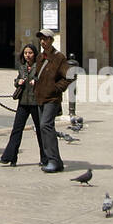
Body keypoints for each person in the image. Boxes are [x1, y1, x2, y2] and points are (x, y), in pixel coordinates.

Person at [0, 43, 44, 166]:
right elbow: (17, 80)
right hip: (23, 101)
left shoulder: (39, 67)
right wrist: (18, 81)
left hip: (35, 102)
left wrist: (37, 82)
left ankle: (45, 158)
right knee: (17, 129)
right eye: (25, 53)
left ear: (35, 54)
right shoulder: (22, 67)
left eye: (30, 53)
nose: (28, 55)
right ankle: (10, 156)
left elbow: (44, 79)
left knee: (40, 130)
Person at [34, 31, 72, 172]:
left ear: (51, 40)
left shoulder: (59, 57)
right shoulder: (40, 57)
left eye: (45, 39)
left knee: (46, 126)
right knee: (43, 128)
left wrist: (56, 88)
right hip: (40, 97)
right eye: (41, 39)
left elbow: (69, 76)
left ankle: (54, 160)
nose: (43, 42)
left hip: (52, 98)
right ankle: (51, 159)